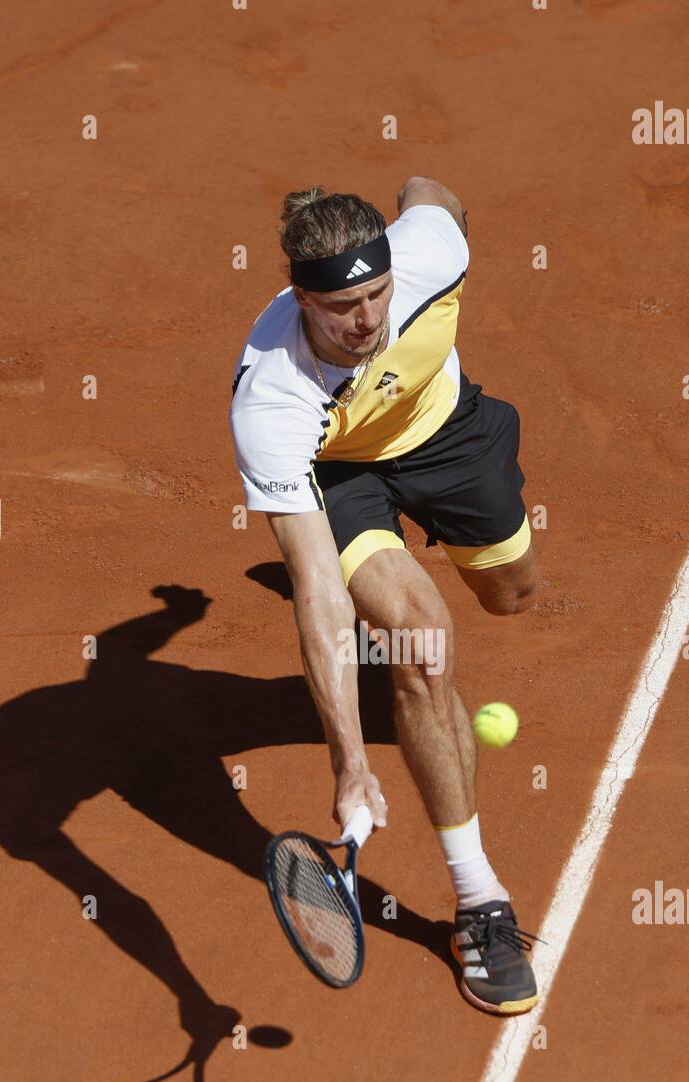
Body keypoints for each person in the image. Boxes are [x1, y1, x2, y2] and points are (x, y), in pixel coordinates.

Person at [230, 177, 540, 1015]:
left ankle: (403, 589)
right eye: (340, 307)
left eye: (375, 295)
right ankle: (480, 904)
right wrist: (350, 760)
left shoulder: (433, 250)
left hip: (445, 430)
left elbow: (430, 188)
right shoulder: (271, 401)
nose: (364, 320)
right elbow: (316, 592)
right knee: (422, 644)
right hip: (336, 473)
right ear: (301, 300)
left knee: (511, 597)